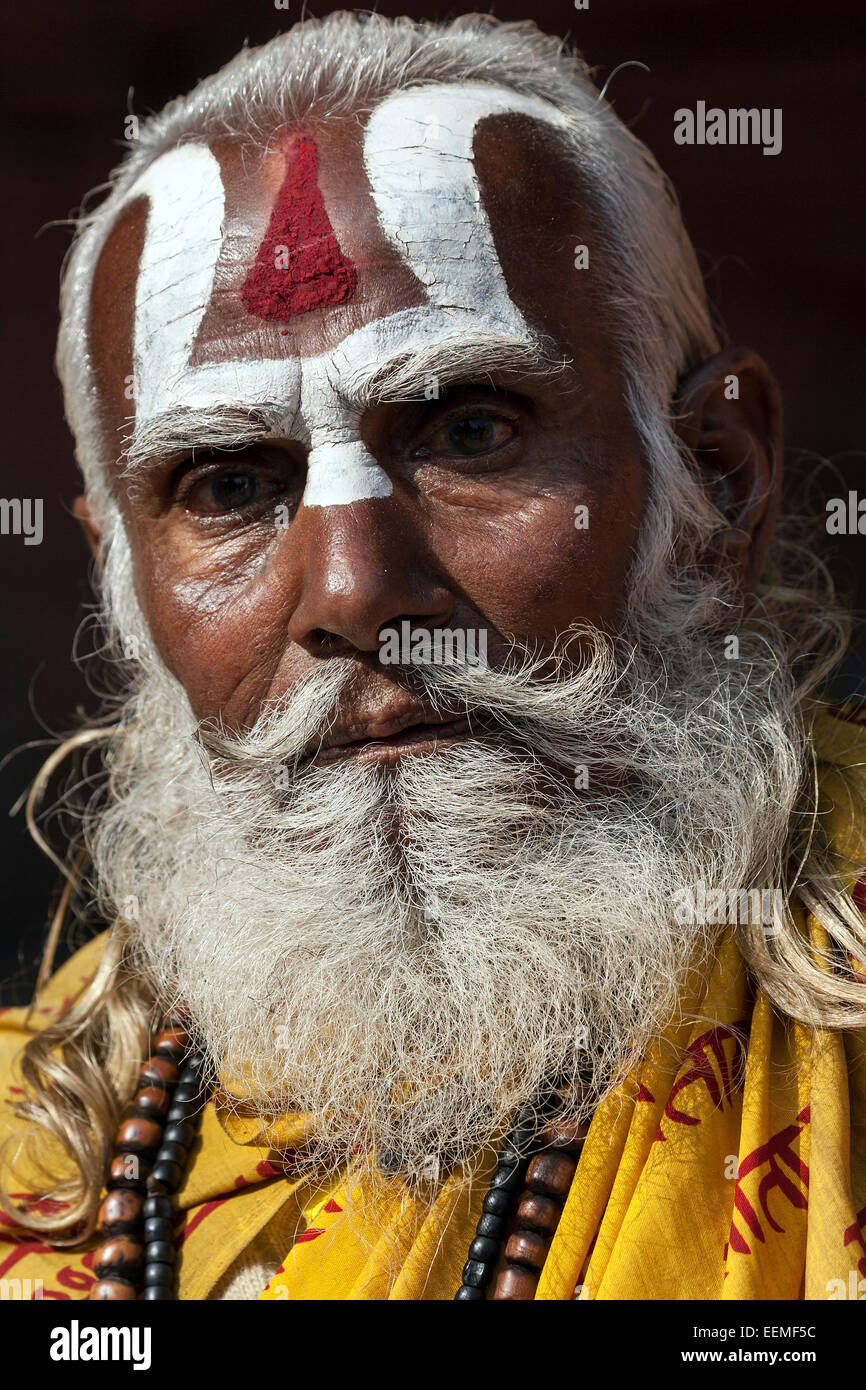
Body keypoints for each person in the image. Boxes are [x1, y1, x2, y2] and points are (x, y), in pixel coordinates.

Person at [2, 11, 865, 1302]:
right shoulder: (44, 1135)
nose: (354, 593)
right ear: (122, 582)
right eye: (229, 484)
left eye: (467, 431)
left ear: (716, 483)